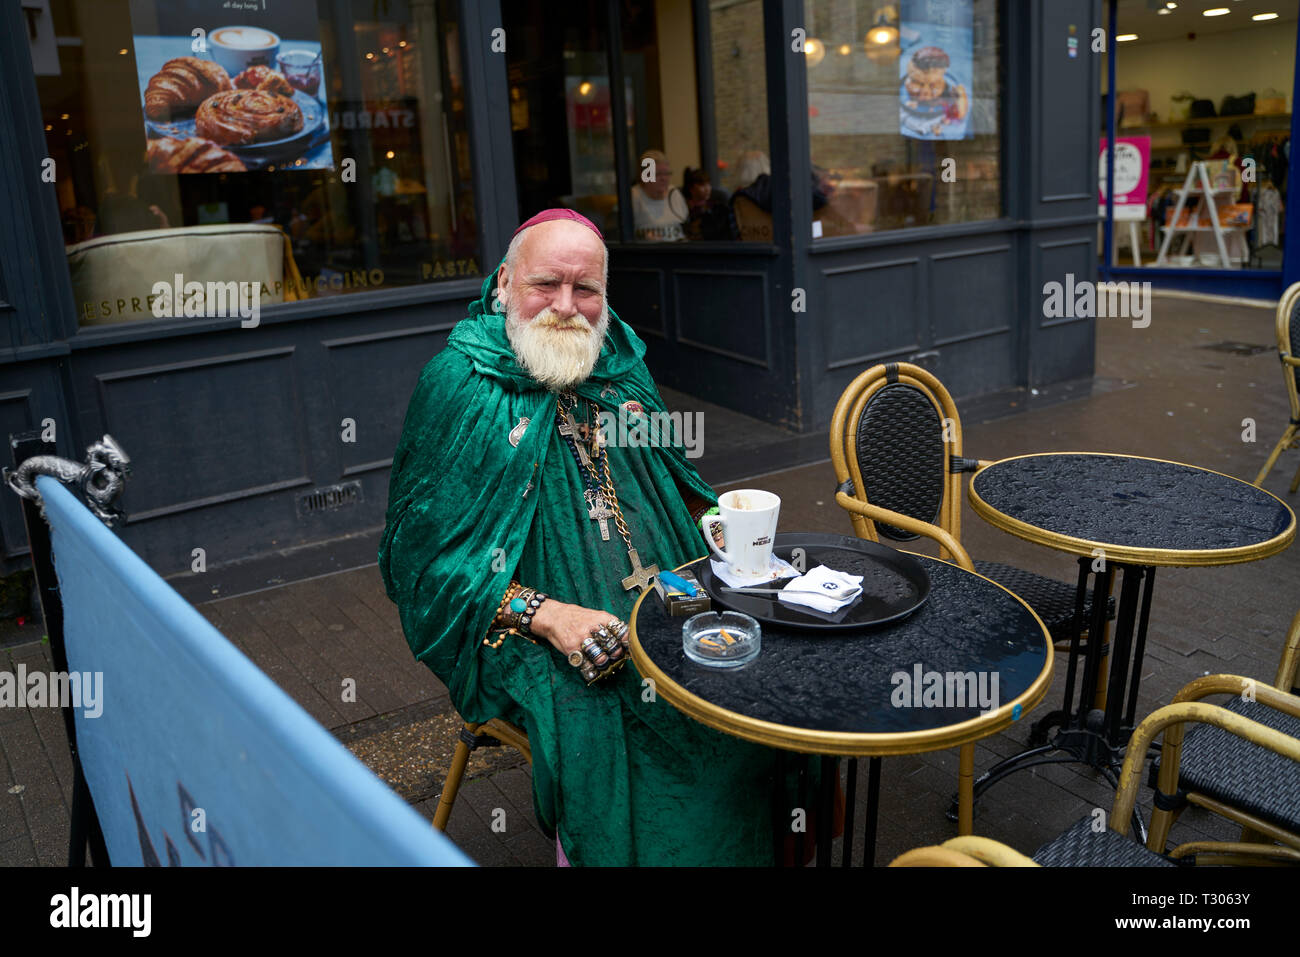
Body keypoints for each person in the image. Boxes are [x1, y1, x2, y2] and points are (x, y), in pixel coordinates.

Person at [378, 208, 786, 866]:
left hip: (667, 599)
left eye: (586, 289)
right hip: (526, 626)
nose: (566, 306)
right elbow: (421, 566)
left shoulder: (620, 366)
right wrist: (551, 616)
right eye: (546, 284)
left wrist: (715, 519)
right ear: (506, 282)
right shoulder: (459, 384)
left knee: (765, 691)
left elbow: (678, 484)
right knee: (628, 744)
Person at [629, 149, 688, 241]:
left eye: (667, 174)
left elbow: (687, 228)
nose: (664, 178)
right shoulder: (632, 196)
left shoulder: (674, 193)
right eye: (658, 174)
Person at [682, 166, 736, 241]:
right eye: (702, 185)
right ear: (691, 188)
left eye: (708, 184)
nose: (707, 188)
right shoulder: (683, 207)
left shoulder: (717, 207)